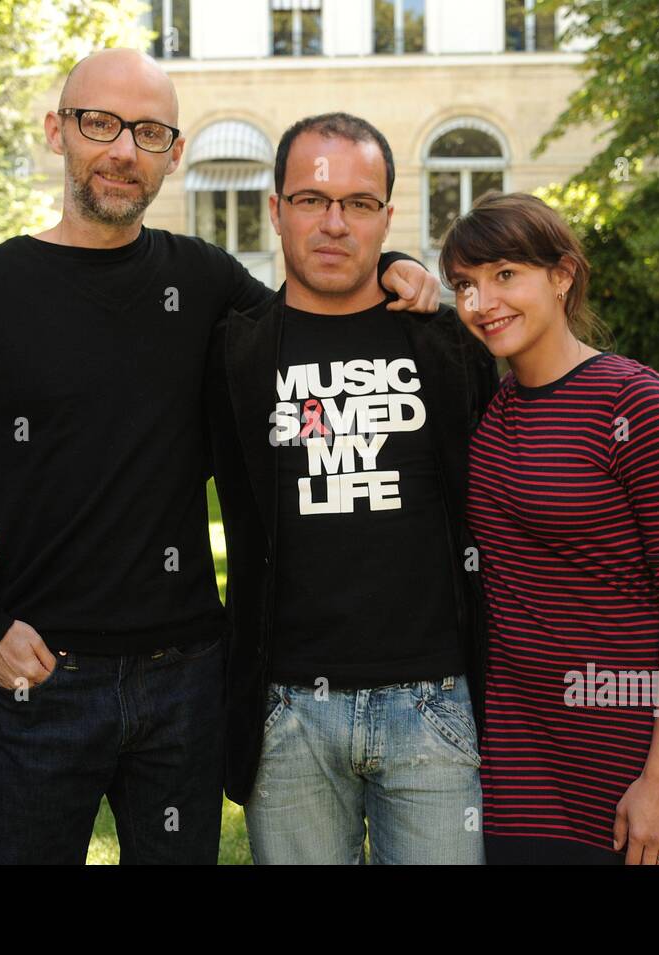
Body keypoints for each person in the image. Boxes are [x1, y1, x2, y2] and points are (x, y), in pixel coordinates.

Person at [0, 49, 438, 865]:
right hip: (39, 677)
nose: (123, 149)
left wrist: (392, 263)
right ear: (59, 131)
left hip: (185, 679)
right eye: (101, 124)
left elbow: (315, 323)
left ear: (174, 153)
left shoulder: (203, 280)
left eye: (149, 132)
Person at [202, 114, 499, 864]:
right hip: (288, 709)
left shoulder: (448, 344)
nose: (334, 223)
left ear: (387, 217)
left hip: (434, 704)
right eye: (310, 199)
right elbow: (152, 473)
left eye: (359, 204)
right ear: (276, 210)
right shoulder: (235, 352)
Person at [439, 191, 659, 865]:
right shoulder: (487, 410)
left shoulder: (635, 400)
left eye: (506, 275)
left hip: (632, 759)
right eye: (465, 285)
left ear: (562, 275)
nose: (483, 302)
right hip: (518, 766)